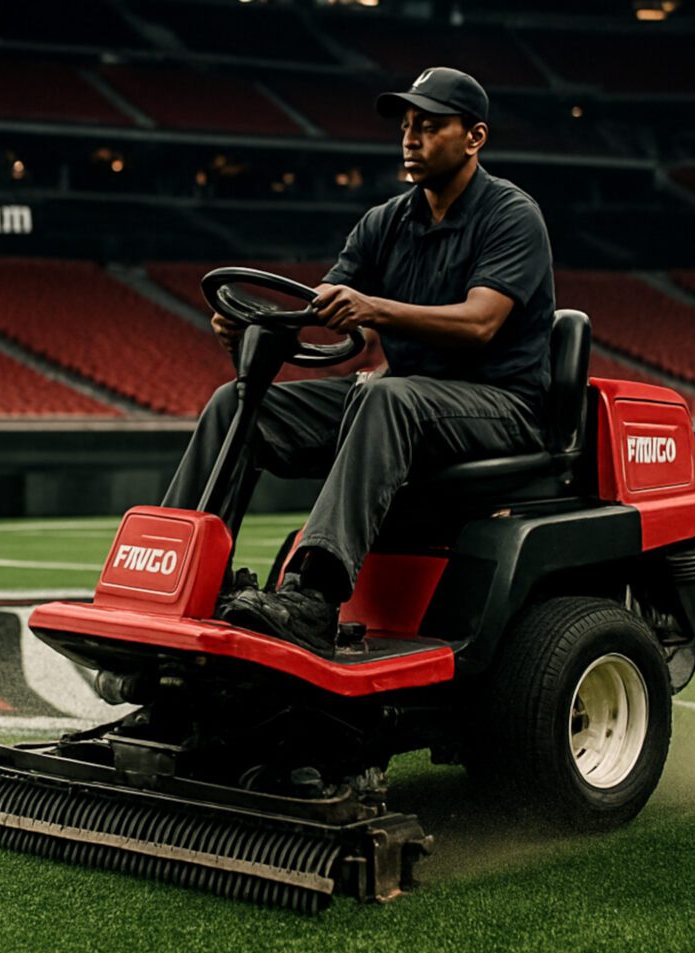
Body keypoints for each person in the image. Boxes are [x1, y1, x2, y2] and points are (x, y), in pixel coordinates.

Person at [162, 67, 555, 658]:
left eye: (430, 125)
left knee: (383, 394)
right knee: (236, 405)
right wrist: (248, 332)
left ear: (474, 137)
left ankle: (313, 597)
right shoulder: (384, 222)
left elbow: (481, 322)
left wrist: (374, 308)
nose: (411, 138)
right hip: (409, 399)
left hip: (501, 406)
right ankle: (180, 574)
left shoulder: (511, 215)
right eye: (406, 125)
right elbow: (318, 306)